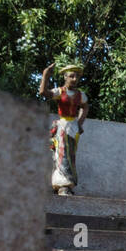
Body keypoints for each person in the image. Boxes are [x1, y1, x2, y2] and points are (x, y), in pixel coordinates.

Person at [40, 61, 89, 195]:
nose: (74, 79)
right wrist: (46, 75)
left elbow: (85, 107)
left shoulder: (80, 95)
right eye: (71, 76)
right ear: (65, 77)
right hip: (63, 126)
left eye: (76, 76)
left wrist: (80, 123)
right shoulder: (60, 92)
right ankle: (62, 185)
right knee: (62, 154)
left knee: (70, 155)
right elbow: (43, 92)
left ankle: (67, 184)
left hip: (73, 128)